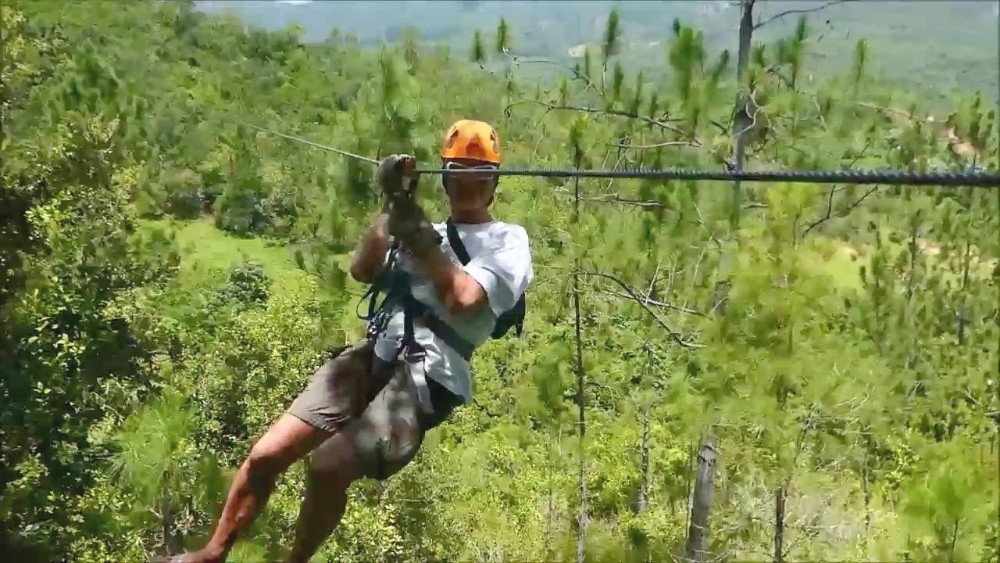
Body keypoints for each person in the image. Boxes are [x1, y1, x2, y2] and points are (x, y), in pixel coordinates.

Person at [156, 119, 533, 563]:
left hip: (429, 373)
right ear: (445, 178)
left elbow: (463, 298)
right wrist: (394, 206)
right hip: (373, 353)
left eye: (478, 175)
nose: (468, 184)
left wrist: (416, 232)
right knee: (265, 455)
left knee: (328, 465)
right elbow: (362, 268)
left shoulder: (508, 242)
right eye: (458, 173)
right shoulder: (415, 223)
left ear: (494, 184)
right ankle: (213, 553)